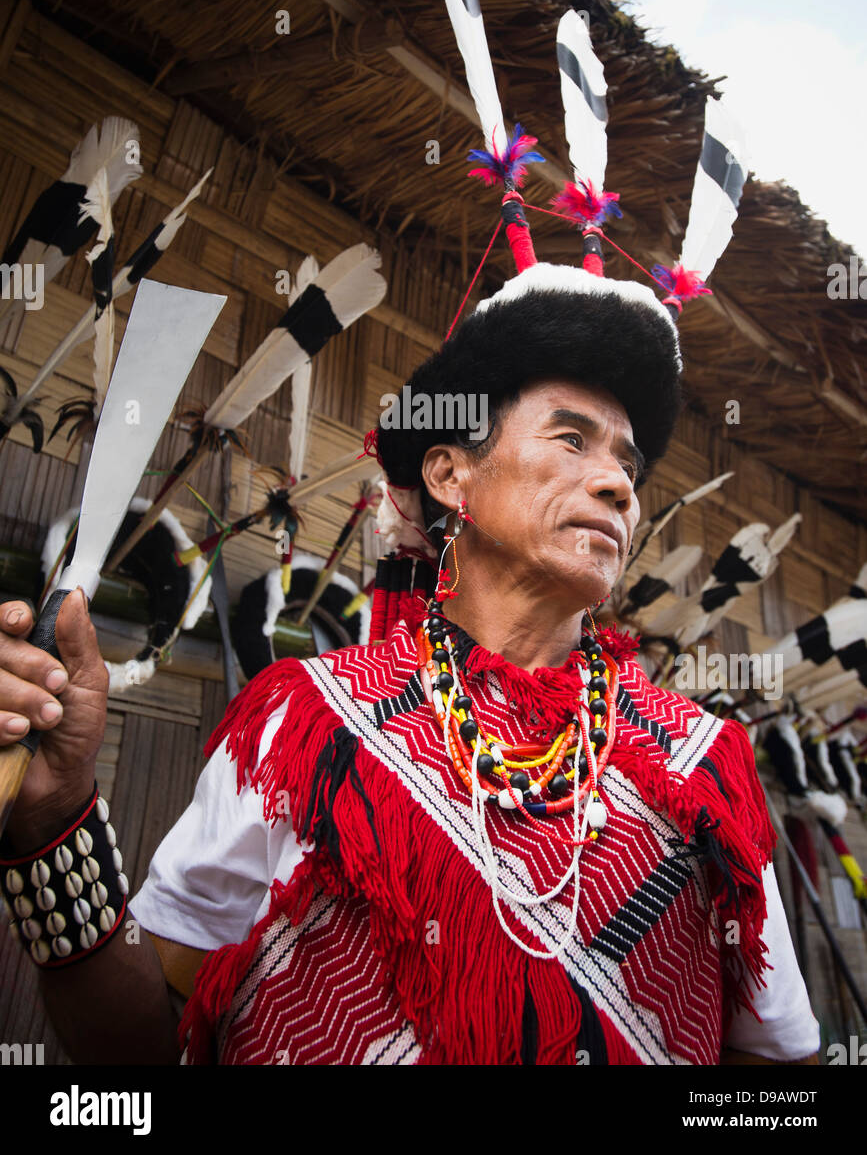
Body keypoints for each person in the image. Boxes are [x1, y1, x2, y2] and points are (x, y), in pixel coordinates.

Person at [0, 233, 819, 1065]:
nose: (615, 485)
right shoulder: (306, 725)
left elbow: (775, 1063)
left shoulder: (700, 764)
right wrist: (54, 819)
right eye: (570, 440)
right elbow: (143, 1048)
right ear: (448, 475)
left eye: (626, 465)